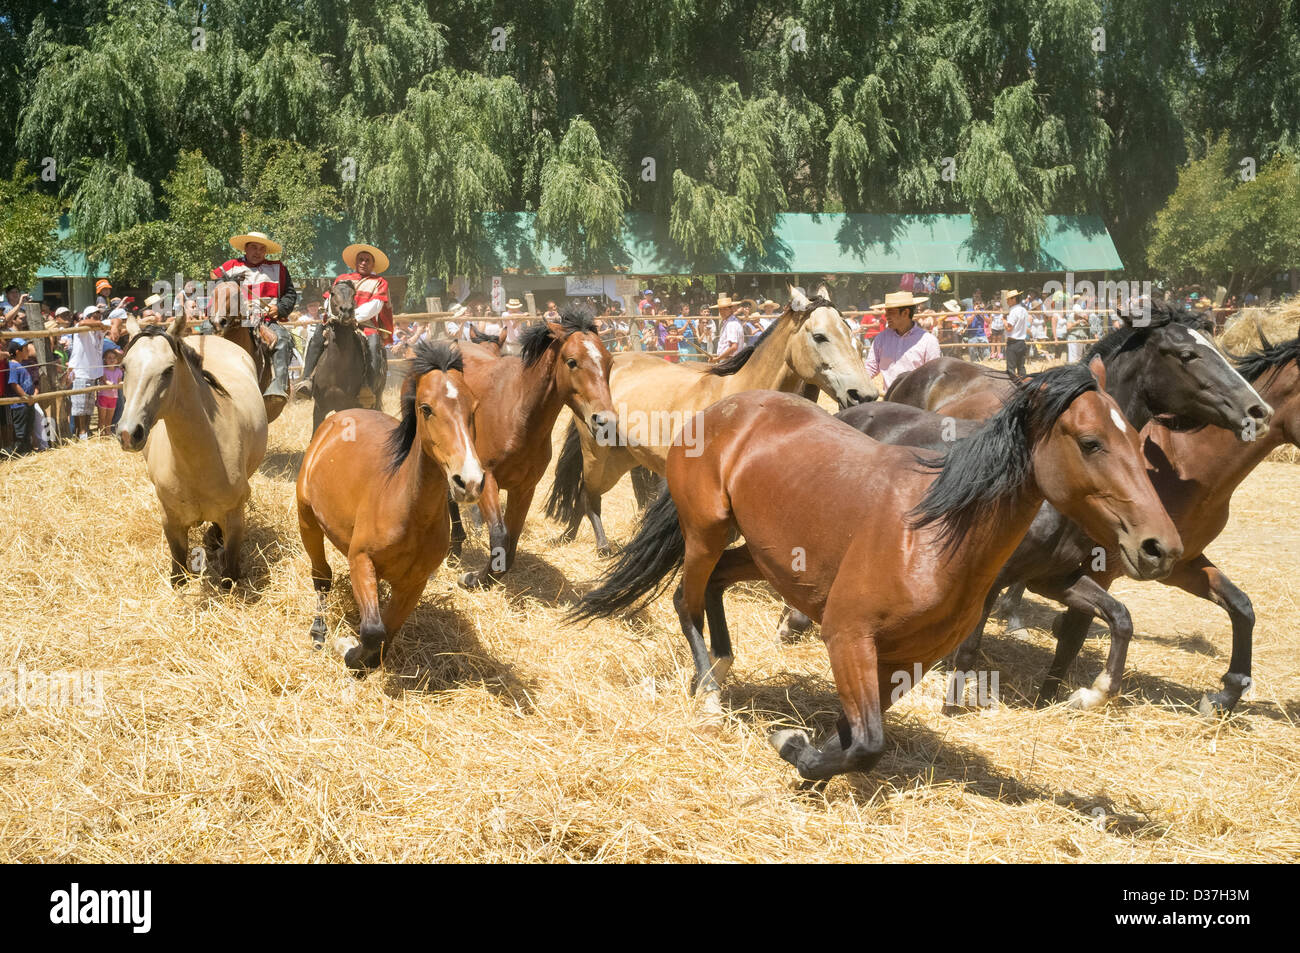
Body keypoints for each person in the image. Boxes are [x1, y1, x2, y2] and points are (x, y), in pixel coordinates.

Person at [209, 230, 298, 409]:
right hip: (233, 319)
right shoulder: (230, 266)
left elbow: (290, 293)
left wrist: (279, 308)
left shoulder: (278, 268)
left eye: (261, 248)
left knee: (282, 340)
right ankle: (202, 383)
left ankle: (278, 387)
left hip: (265, 319)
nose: (257, 252)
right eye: (253, 247)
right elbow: (216, 286)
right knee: (205, 336)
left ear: (266, 251)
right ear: (246, 249)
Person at [297, 244, 390, 400]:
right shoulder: (341, 279)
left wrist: (353, 317)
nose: (364, 263)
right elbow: (329, 300)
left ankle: (368, 388)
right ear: (355, 262)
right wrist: (334, 314)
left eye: (368, 260)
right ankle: (307, 380)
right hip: (337, 321)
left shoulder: (380, 282)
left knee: (373, 346)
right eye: (361, 259)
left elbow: (375, 306)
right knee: (316, 339)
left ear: (373, 264)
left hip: (364, 324)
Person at [862, 291, 941, 389]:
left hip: (915, 402)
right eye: (886, 311)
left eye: (890, 312)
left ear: (905, 313)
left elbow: (933, 375)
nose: (886, 316)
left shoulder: (928, 341)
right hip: (889, 401)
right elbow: (870, 367)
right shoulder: (881, 339)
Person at [64, 305, 107, 439]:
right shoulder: (82, 329)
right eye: (95, 317)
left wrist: (101, 324)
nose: (98, 319)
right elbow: (81, 322)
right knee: (79, 407)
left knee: (88, 407)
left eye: (99, 316)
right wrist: (99, 323)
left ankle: (85, 430)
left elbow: (115, 322)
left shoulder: (98, 331)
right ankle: (81, 432)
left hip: (92, 373)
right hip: (80, 372)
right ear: (88, 317)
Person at [5, 338, 37, 454]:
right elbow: (13, 383)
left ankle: (27, 451)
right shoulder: (13, 366)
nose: (28, 351)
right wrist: (25, 397)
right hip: (19, 405)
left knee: (28, 430)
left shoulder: (21, 364)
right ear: (18, 351)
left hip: (27, 403)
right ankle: (18, 453)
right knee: (21, 433)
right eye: (25, 349)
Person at [99, 339, 123, 435]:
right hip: (103, 396)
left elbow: (119, 382)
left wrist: (121, 384)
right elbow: (104, 381)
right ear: (105, 360)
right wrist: (109, 383)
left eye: (114, 358)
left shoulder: (119, 372)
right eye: (109, 358)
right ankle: (100, 435)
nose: (112, 359)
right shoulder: (103, 370)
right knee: (102, 419)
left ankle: (108, 434)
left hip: (113, 397)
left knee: (109, 419)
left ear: (117, 360)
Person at [711, 295, 746, 363]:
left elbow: (734, 347)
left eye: (725, 309)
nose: (722, 312)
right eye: (720, 309)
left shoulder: (731, 324)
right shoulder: (732, 322)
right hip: (731, 360)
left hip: (729, 361)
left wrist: (718, 358)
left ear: (731, 309)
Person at [1004, 289, 1030, 377]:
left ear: (1013, 299)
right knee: (1021, 368)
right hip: (1022, 342)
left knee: (1011, 370)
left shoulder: (1014, 311)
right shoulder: (1024, 310)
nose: (1007, 302)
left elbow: (1009, 328)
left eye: (1008, 299)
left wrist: (1004, 321)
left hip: (1013, 343)